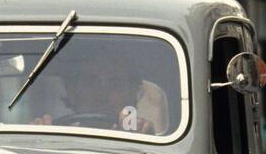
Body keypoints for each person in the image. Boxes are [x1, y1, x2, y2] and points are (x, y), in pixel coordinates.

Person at [28, 49, 169, 135]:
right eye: (90, 82)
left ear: (133, 94)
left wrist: (143, 140)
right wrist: (39, 139)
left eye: (115, 83)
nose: (102, 93)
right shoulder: (54, 137)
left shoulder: (141, 136)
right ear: (72, 91)